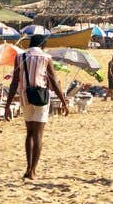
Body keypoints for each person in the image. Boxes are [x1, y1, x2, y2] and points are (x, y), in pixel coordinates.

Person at [4, 28, 69, 181]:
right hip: (41, 97)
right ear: (42, 45)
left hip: (26, 97)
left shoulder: (20, 57)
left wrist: (7, 105)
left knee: (29, 134)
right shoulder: (46, 57)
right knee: (38, 134)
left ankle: (27, 168)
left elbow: (14, 82)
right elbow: (53, 81)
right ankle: (33, 170)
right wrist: (63, 102)